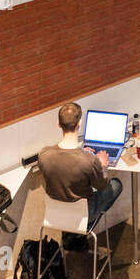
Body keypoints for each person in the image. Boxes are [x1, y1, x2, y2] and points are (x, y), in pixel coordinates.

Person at [38, 102, 123, 245]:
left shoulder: (44, 154)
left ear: (59, 124)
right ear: (80, 123)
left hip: (55, 215)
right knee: (116, 185)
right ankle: (83, 230)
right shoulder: (88, 160)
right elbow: (102, 185)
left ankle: (73, 234)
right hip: (83, 214)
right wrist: (102, 165)